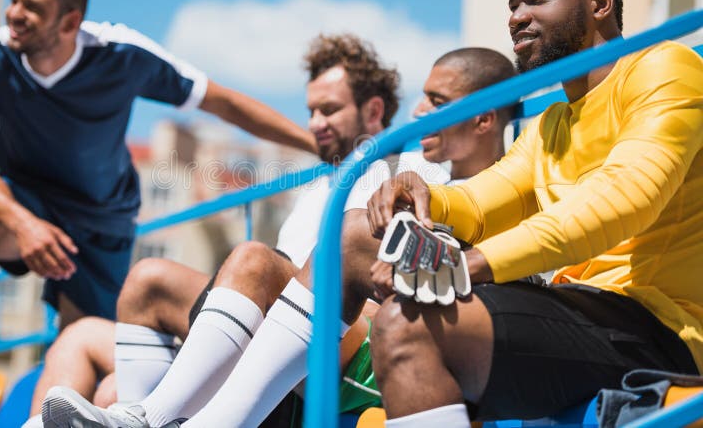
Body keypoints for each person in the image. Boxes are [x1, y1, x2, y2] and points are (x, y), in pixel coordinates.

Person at [0, 0, 317, 425]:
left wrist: (315, 143)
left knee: (78, 342)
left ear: (69, 22)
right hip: (25, 202)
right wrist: (24, 224)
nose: (14, 14)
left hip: (101, 221)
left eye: (32, 8)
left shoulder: (123, 56)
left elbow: (224, 103)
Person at [37, 46, 515, 428]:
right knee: (148, 278)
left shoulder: (431, 172)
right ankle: (136, 418)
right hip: (297, 315)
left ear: (483, 117)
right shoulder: (342, 183)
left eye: (328, 109)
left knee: (255, 260)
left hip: (368, 333)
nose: (313, 123)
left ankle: (152, 417)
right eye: (310, 110)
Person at [365, 0, 703, 427]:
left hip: (659, 329)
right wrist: (424, 198)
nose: (516, 18)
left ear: (601, 3)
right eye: (513, 5)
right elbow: (482, 202)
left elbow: (627, 198)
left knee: (407, 326)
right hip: (579, 312)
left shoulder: (664, 67)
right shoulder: (551, 124)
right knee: (353, 236)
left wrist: (472, 263)